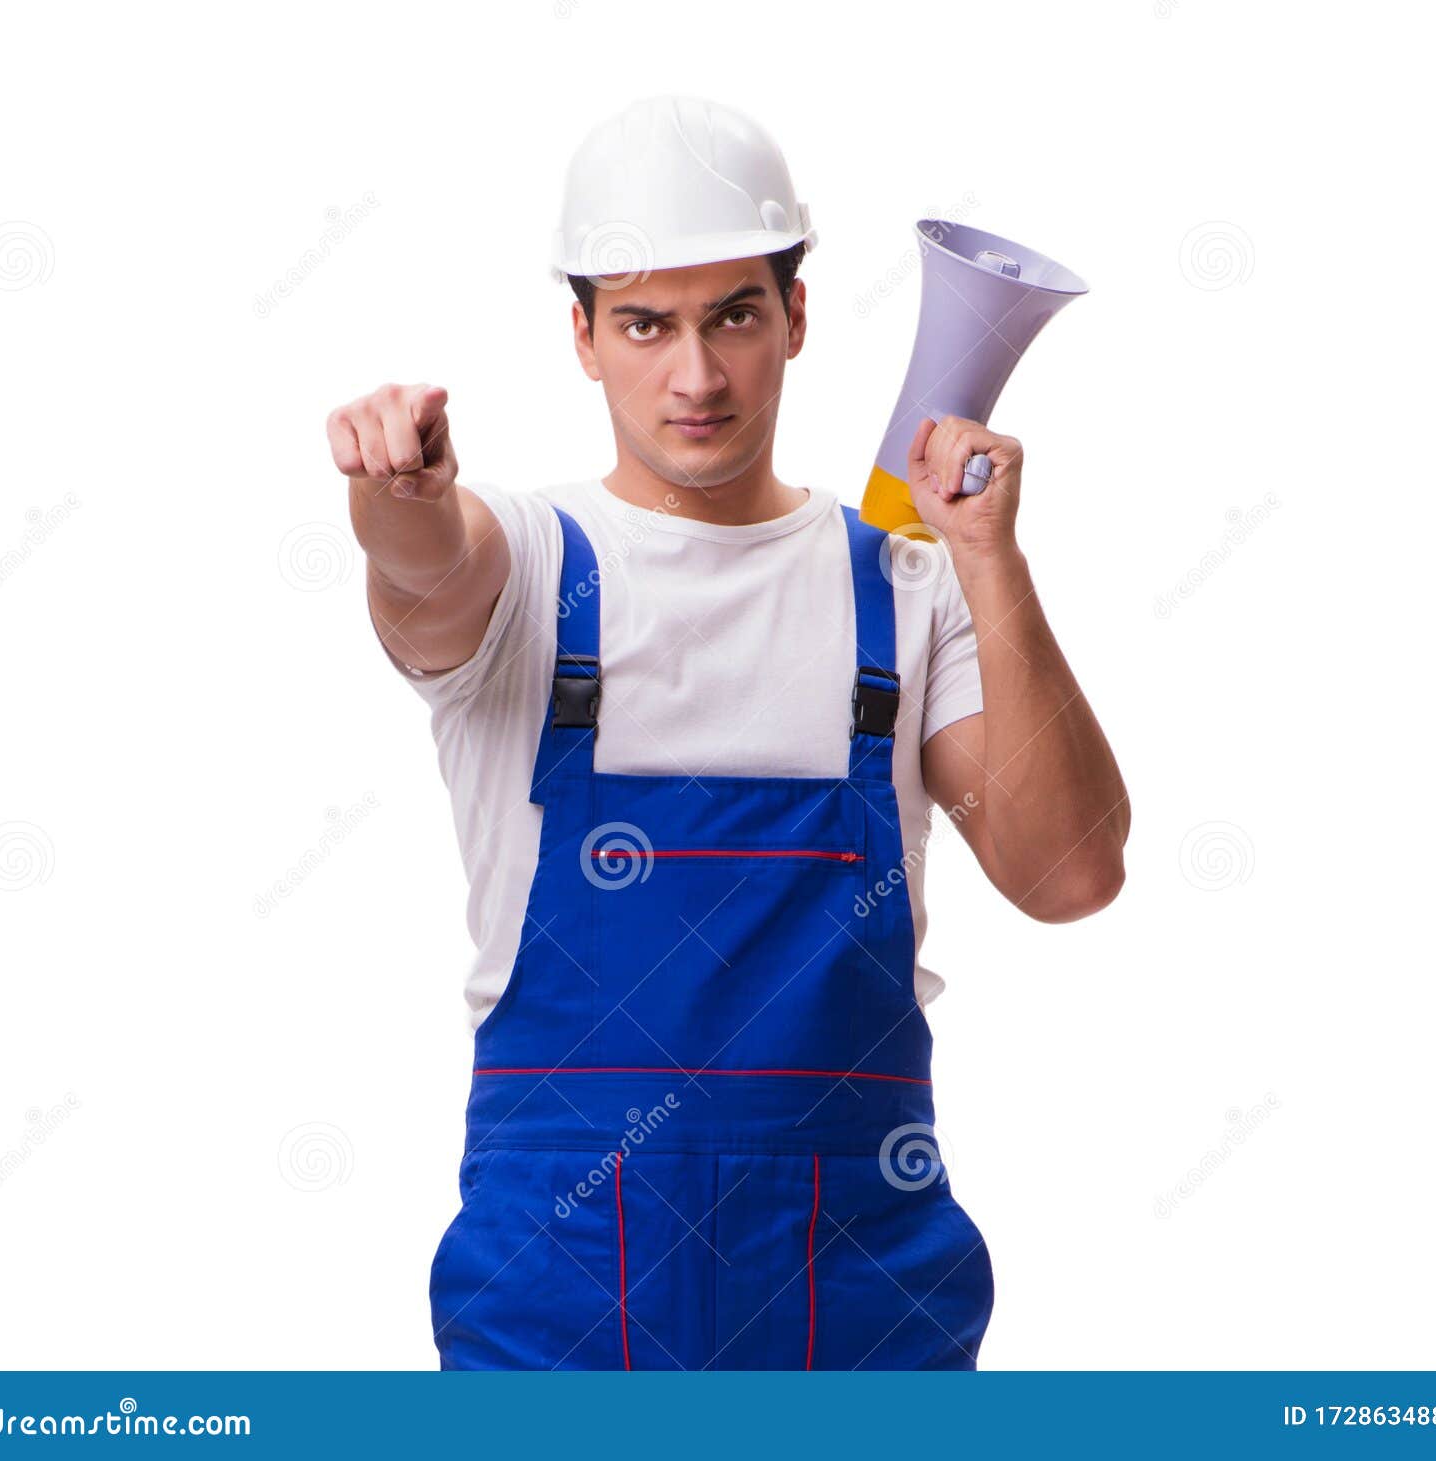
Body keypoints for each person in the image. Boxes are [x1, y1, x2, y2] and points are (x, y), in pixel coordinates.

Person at [325, 95, 1129, 1371]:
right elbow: (427, 568)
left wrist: (988, 559)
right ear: (583, 336)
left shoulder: (911, 586)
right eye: (646, 324)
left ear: (795, 319)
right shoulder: (526, 563)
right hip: (561, 1286)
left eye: (733, 317)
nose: (694, 377)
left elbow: (1069, 874)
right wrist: (401, 499)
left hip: (857, 1288)